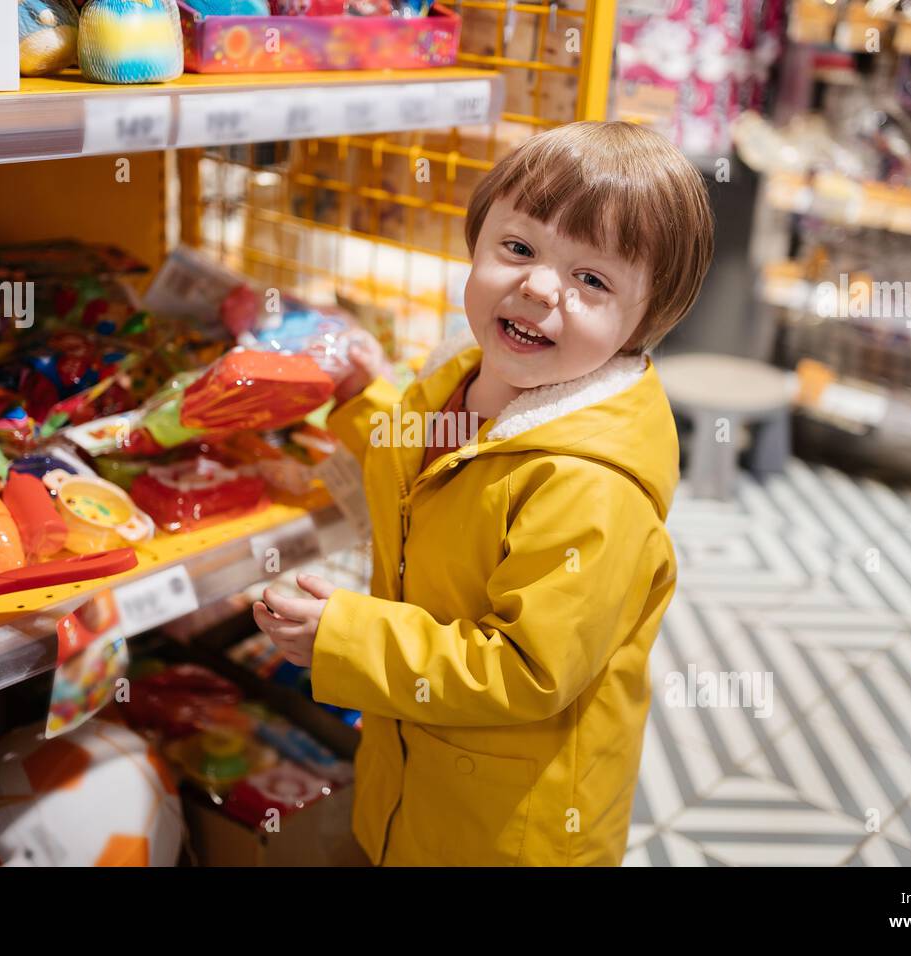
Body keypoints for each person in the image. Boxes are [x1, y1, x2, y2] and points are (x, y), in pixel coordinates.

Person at [252, 120, 715, 866]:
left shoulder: (591, 487)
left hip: (511, 829)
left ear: (643, 324)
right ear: (477, 242)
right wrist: (359, 400)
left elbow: (528, 668)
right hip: (413, 773)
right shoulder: (463, 379)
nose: (538, 286)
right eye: (520, 248)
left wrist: (343, 640)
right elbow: (439, 475)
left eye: (591, 279)